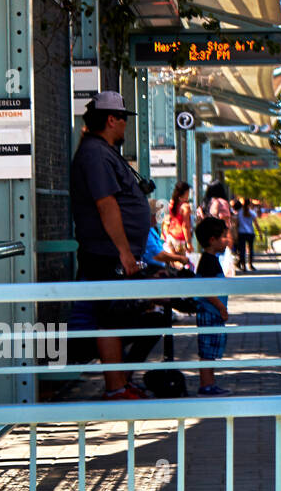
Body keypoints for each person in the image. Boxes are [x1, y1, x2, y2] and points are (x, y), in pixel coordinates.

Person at [69, 91, 158, 400]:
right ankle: (115, 388)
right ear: (111, 120)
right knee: (110, 318)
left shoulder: (102, 151)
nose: (125, 126)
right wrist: (124, 253)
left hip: (114, 253)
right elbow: (106, 205)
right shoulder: (95, 154)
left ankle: (120, 383)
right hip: (108, 254)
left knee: (117, 317)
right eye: (123, 119)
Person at [193, 217, 232, 396]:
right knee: (208, 350)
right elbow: (207, 291)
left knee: (211, 350)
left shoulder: (210, 258)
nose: (227, 240)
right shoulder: (208, 261)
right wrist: (222, 309)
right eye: (224, 236)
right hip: (210, 313)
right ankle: (206, 385)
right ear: (212, 240)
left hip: (212, 312)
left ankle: (210, 383)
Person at [165, 181, 194, 256]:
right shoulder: (185, 207)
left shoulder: (171, 203)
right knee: (182, 264)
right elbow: (185, 226)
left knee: (173, 264)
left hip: (170, 236)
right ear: (185, 192)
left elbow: (168, 220)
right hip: (180, 239)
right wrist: (189, 243)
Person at [235, 199, 260, 272]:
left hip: (241, 233)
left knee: (242, 250)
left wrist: (236, 233)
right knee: (250, 250)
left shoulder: (239, 213)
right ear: (250, 204)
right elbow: (256, 224)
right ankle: (250, 264)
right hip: (250, 233)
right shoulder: (252, 213)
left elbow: (236, 224)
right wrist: (260, 233)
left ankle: (243, 266)